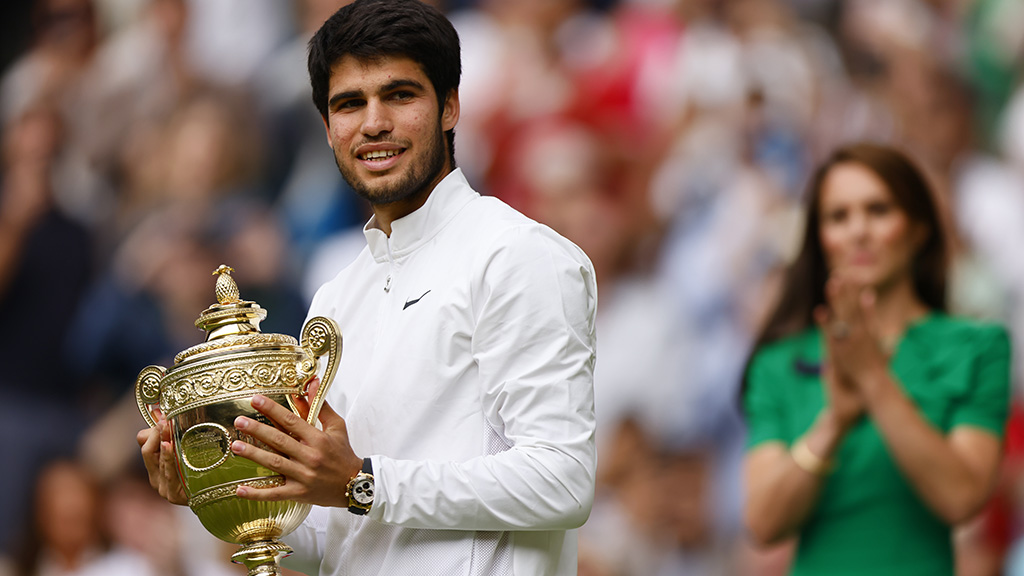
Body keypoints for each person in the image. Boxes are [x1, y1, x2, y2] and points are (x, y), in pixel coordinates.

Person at [137, 1, 599, 575]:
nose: (373, 122)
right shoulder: (335, 297)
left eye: (400, 95)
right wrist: (219, 493)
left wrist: (362, 481)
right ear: (328, 127)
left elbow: (561, 480)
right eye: (349, 104)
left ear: (449, 107)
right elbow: (339, 535)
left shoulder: (518, 256)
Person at [741, 142, 1011, 575]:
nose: (858, 231)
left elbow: (962, 495)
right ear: (820, 238)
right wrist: (834, 423)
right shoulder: (780, 362)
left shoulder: (978, 347)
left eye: (879, 210)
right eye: (838, 217)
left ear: (918, 227)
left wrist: (873, 380)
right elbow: (763, 521)